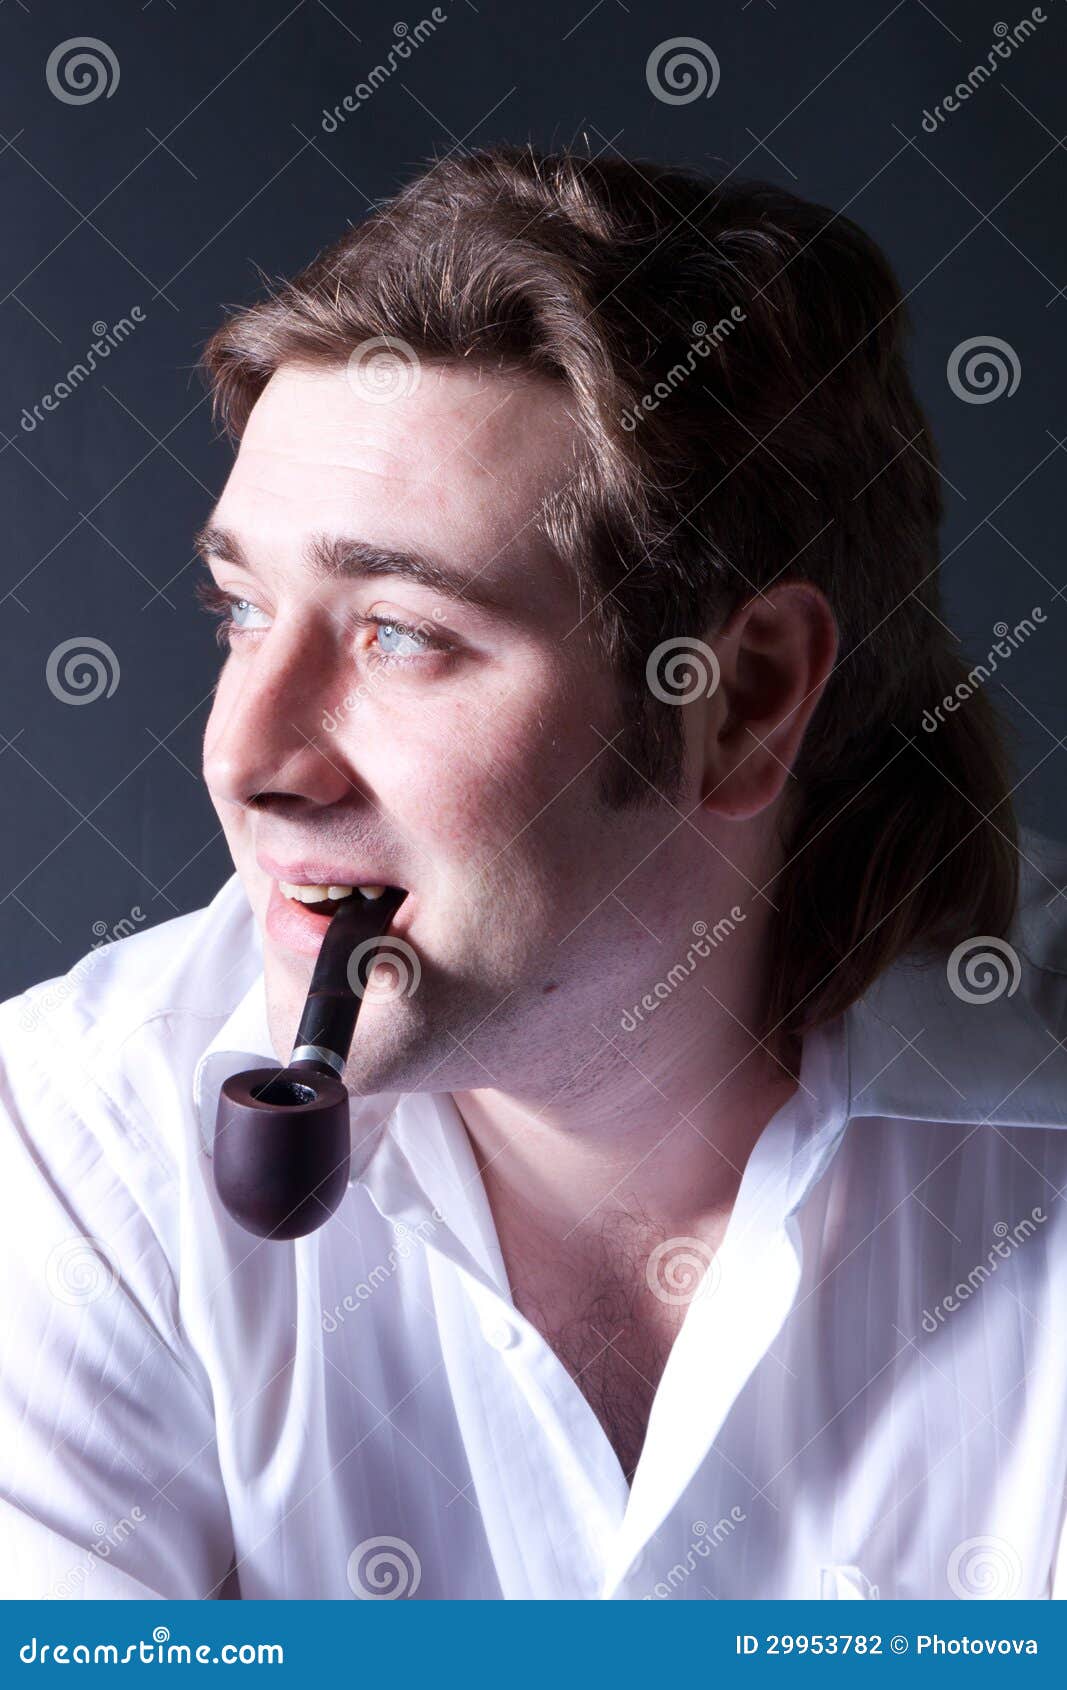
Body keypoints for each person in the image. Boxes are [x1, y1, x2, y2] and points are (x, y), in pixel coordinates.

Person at [2, 143, 1065, 1601]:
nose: (245, 757)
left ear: (742, 697)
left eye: (401, 632)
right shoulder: (82, 1142)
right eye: (241, 609)